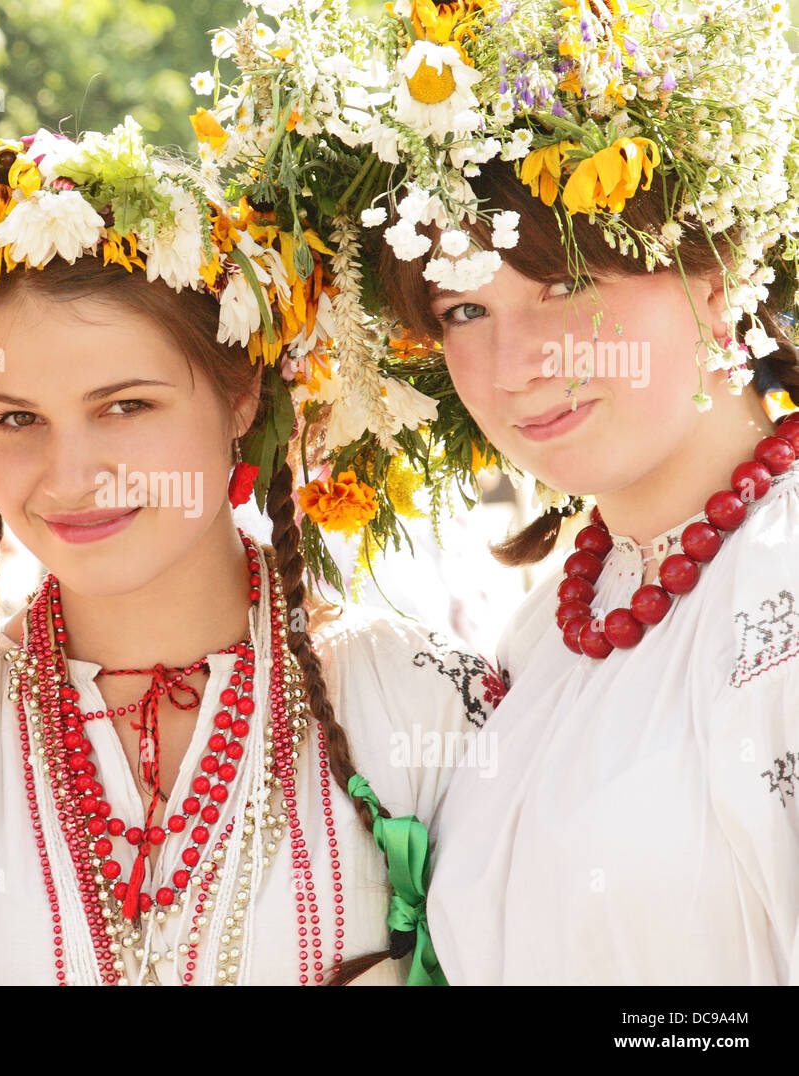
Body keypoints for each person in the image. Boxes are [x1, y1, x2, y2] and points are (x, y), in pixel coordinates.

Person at [206, 0, 799, 982]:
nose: (519, 362)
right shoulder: (548, 632)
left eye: (564, 282)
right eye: (465, 306)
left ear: (712, 268)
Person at [0, 122, 504, 986]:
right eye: (16, 418)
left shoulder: (426, 707)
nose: (71, 476)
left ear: (242, 394)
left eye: (126, 406)